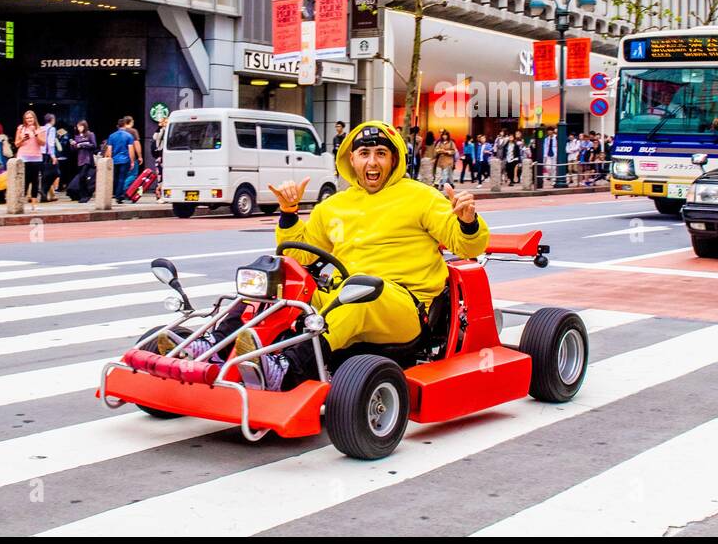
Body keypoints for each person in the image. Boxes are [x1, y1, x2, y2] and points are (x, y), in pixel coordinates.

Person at [158, 121, 488, 391]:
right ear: (352, 160)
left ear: (394, 159)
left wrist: (467, 220)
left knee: (361, 293)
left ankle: (286, 369)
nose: (372, 162)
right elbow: (298, 256)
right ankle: (214, 345)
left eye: (380, 153)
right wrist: (288, 214)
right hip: (345, 294)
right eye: (364, 153)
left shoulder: (423, 198)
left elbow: (468, 246)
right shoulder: (332, 206)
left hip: (404, 306)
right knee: (273, 279)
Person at [103, 117, 137, 202]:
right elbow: (131, 149)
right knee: (122, 177)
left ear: (117, 126)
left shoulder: (112, 136)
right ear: (125, 125)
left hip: (115, 160)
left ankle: (115, 193)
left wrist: (109, 159)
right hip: (125, 160)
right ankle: (119, 195)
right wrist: (132, 161)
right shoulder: (129, 136)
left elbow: (109, 149)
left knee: (115, 177)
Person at [15, 110, 44, 202]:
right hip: (23, 156)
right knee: (24, 179)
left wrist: (35, 133)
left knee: (35, 180)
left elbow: (42, 143)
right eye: (27, 118)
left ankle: (34, 203)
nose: (29, 120)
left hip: (36, 156)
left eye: (31, 117)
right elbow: (16, 144)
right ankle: (21, 201)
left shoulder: (40, 129)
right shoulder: (21, 128)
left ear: (34, 118)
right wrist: (22, 139)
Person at [69, 121, 98, 203]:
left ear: (84, 126)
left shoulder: (90, 134)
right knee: (81, 178)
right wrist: (73, 145)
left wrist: (82, 145)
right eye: (78, 127)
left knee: (83, 176)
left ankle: (86, 195)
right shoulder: (77, 136)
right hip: (80, 159)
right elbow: (74, 150)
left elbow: (94, 145)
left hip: (87, 159)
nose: (79, 128)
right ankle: (82, 195)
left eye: (81, 126)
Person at [41, 113, 62, 201]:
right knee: (55, 173)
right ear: (52, 120)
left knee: (45, 174)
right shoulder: (52, 129)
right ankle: (43, 191)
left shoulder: (41, 128)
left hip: (41, 154)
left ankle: (44, 195)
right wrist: (53, 156)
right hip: (48, 154)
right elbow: (50, 143)